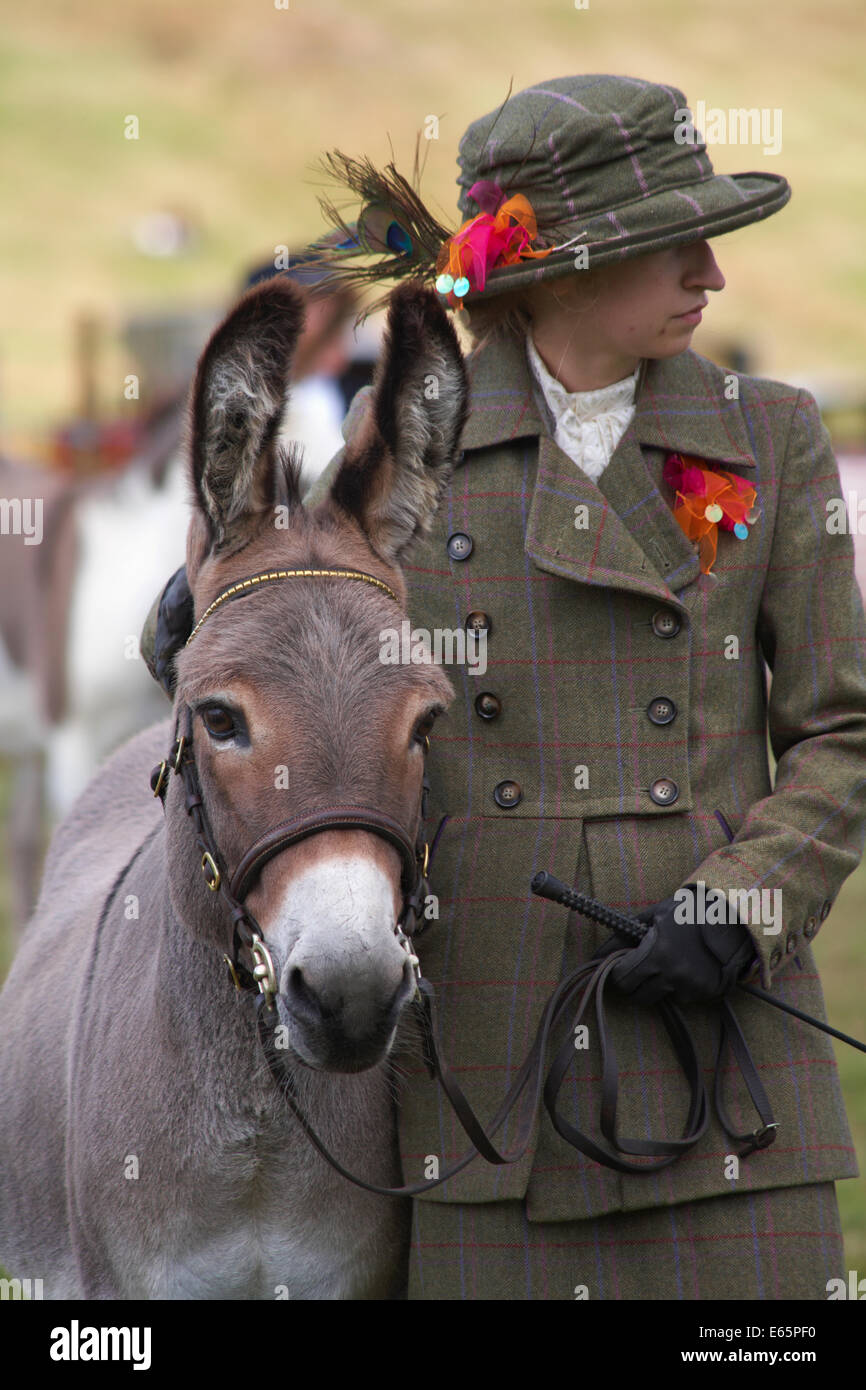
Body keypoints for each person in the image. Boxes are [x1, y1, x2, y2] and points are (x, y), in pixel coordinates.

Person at [299, 75, 866, 1300]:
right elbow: (283, 623)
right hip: (494, 1041)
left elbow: (842, 730)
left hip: (722, 1027)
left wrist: (746, 904)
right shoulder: (402, 449)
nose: (710, 274)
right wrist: (204, 598)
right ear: (553, 272)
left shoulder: (768, 433)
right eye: (672, 244)